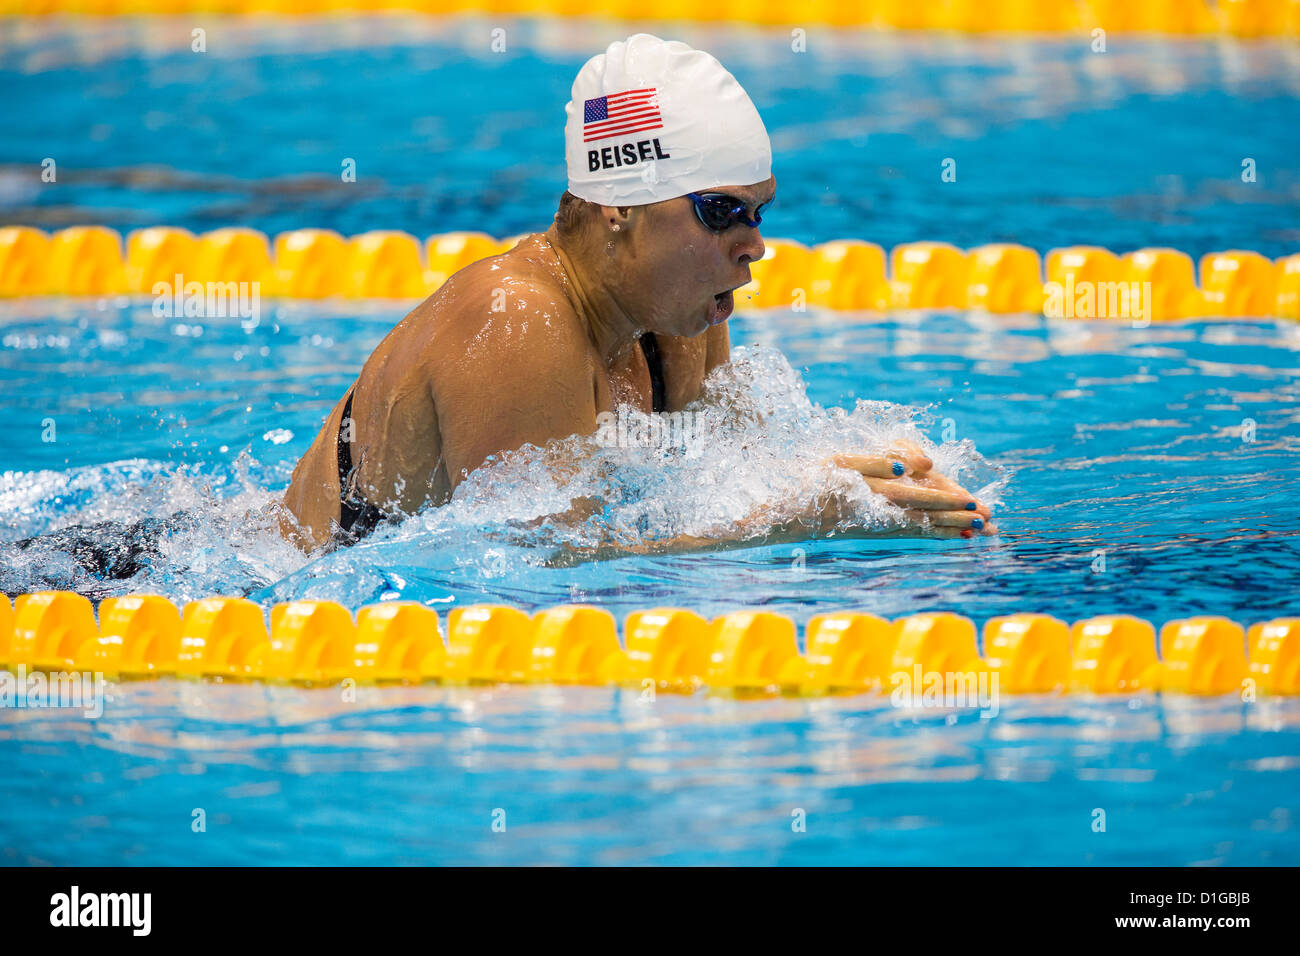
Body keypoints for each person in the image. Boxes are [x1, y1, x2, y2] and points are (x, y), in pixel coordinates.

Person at [277, 33, 997, 554]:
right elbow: (539, 565)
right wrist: (796, 520)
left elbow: (719, 476)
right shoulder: (516, 321)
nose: (755, 244)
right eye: (721, 212)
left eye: (759, 211)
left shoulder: (679, 315)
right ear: (620, 208)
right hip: (287, 603)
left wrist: (868, 479)